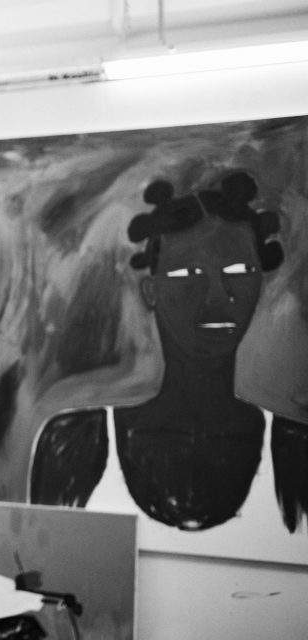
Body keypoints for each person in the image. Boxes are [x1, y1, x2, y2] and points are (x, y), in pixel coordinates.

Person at [29, 170, 308, 540]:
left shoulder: (294, 450)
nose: (216, 295)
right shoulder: (75, 444)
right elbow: (42, 574)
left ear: (259, 283)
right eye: (188, 272)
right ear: (150, 291)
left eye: (239, 271)